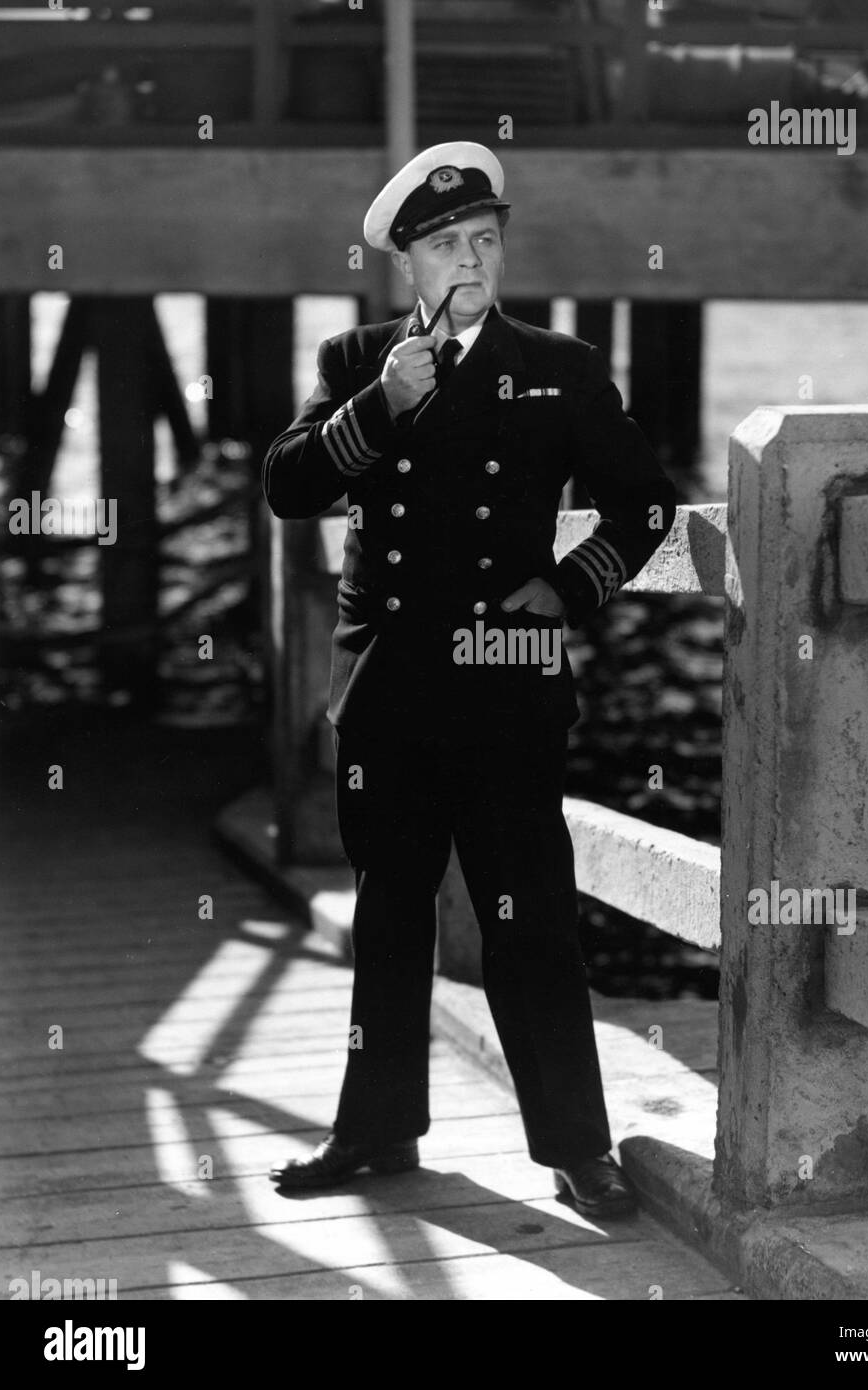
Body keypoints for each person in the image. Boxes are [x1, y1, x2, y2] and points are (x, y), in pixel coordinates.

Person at [262, 142, 677, 1219]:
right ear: (408, 262)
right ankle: (375, 1128)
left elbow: (643, 504)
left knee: (530, 917)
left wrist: (572, 585)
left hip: (506, 686)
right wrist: (377, 410)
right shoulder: (359, 360)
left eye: (485, 240)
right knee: (390, 911)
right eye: (448, 245)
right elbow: (285, 486)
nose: (471, 259)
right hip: (390, 690)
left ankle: (579, 1150)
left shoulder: (562, 366)